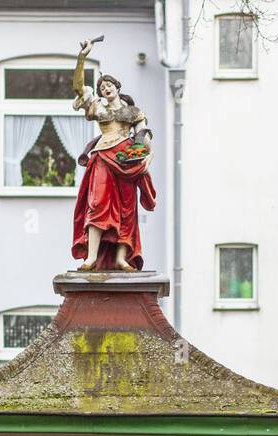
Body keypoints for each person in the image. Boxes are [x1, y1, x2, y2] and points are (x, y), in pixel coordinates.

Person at [71, 39, 156, 271]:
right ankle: (91, 257)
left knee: (127, 211)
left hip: (126, 161)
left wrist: (145, 159)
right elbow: (79, 88)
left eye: (108, 85)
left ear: (117, 87)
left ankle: (121, 257)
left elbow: (144, 139)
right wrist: (82, 57)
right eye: (101, 88)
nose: (105, 88)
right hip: (103, 159)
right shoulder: (98, 108)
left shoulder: (134, 112)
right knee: (97, 204)